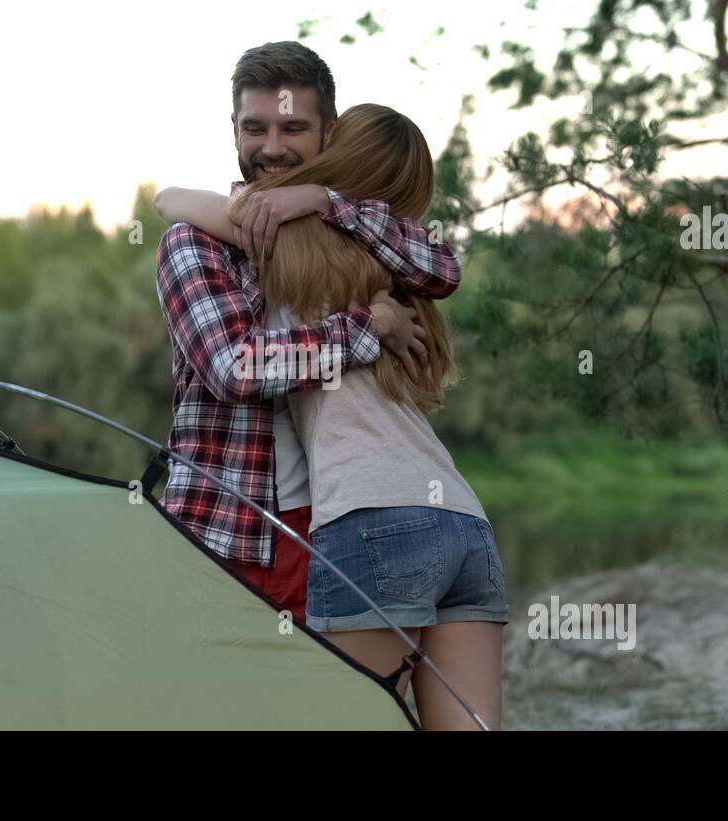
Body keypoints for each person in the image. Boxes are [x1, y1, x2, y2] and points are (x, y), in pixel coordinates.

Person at [155, 102, 508, 731]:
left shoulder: (300, 253)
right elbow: (445, 266)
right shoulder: (393, 273)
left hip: (371, 517)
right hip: (465, 524)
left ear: (337, 155)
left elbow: (198, 212)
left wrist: (174, 195)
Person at [153, 41, 461, 626]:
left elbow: (442, 268)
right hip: (232, 528)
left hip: (345, 522)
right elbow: (235, 368)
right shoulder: (196, 241)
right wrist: (372, 328)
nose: (271, 148)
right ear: (234, 130)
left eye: (293, 127)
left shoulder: (353, 231)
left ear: (330, 133)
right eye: (255, 128)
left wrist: (325, 199)